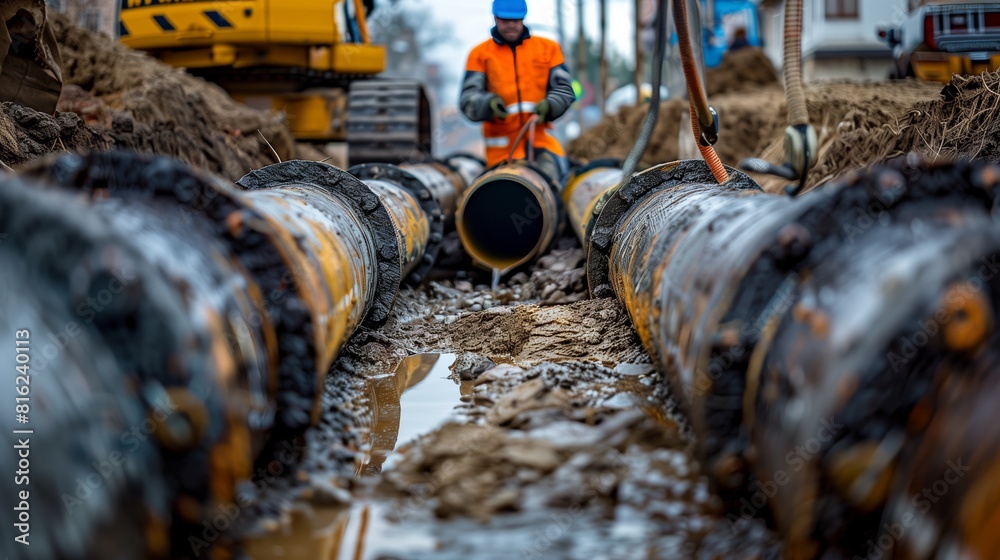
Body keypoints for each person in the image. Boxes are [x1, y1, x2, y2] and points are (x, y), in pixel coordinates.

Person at [460, 0, 576, 185]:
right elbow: (468, 101)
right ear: (496, 18)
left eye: (516, 20)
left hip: (541, 143)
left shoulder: (548, 49)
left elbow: (565, 90)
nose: (511, 24)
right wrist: (487, 104)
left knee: (554, 187)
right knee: (502, 194)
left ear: (523, 18)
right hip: (501, 152)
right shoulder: (480, 55)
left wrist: (550, 106)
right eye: (506, 20)